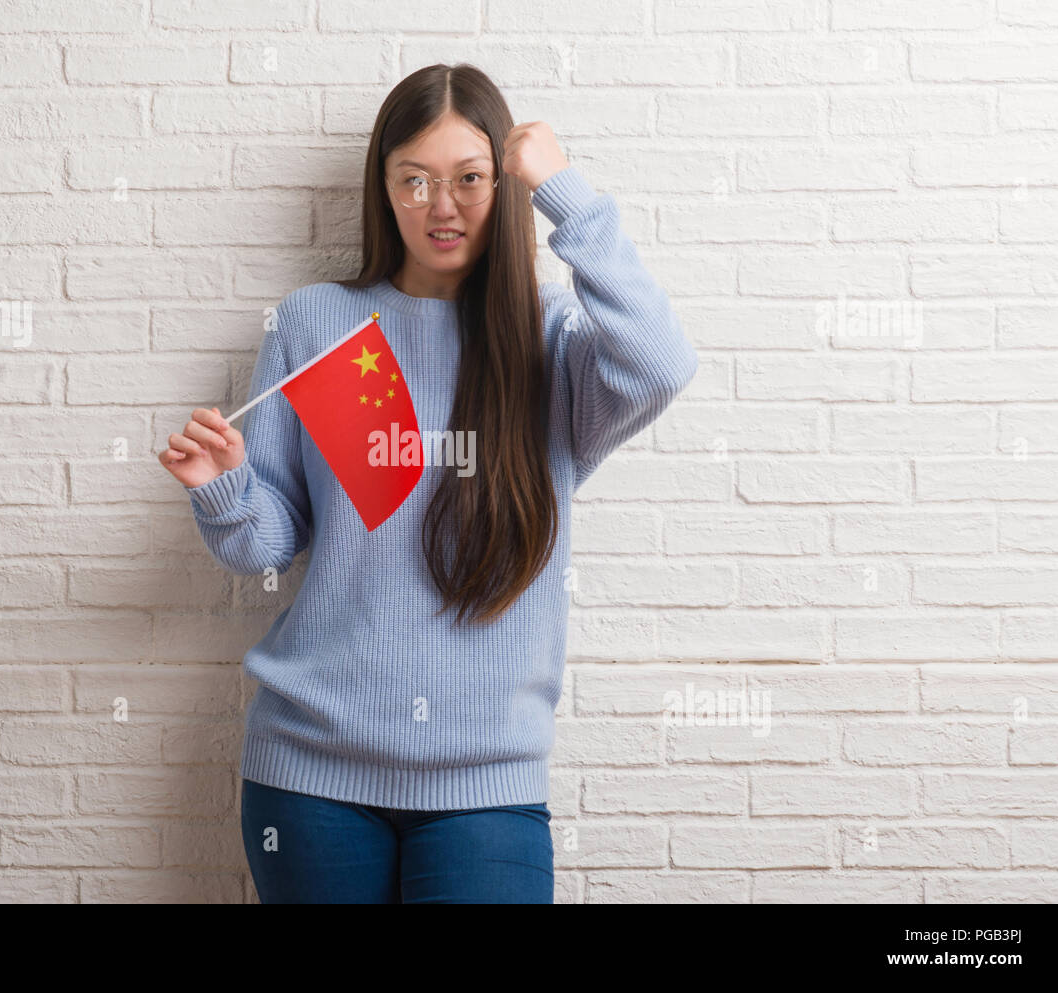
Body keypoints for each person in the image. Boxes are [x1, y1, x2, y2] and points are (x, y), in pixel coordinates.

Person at [158, 63, 699, 903]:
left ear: (505, 183)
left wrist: (566, 194)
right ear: (383, 188)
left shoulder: (548, 341)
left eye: (469, 180)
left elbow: (661, 364)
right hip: (311, 774)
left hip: (488, 784)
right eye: (414, 180)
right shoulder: (323, 325)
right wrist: (224, 485)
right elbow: (268, 543)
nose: (440, 206)